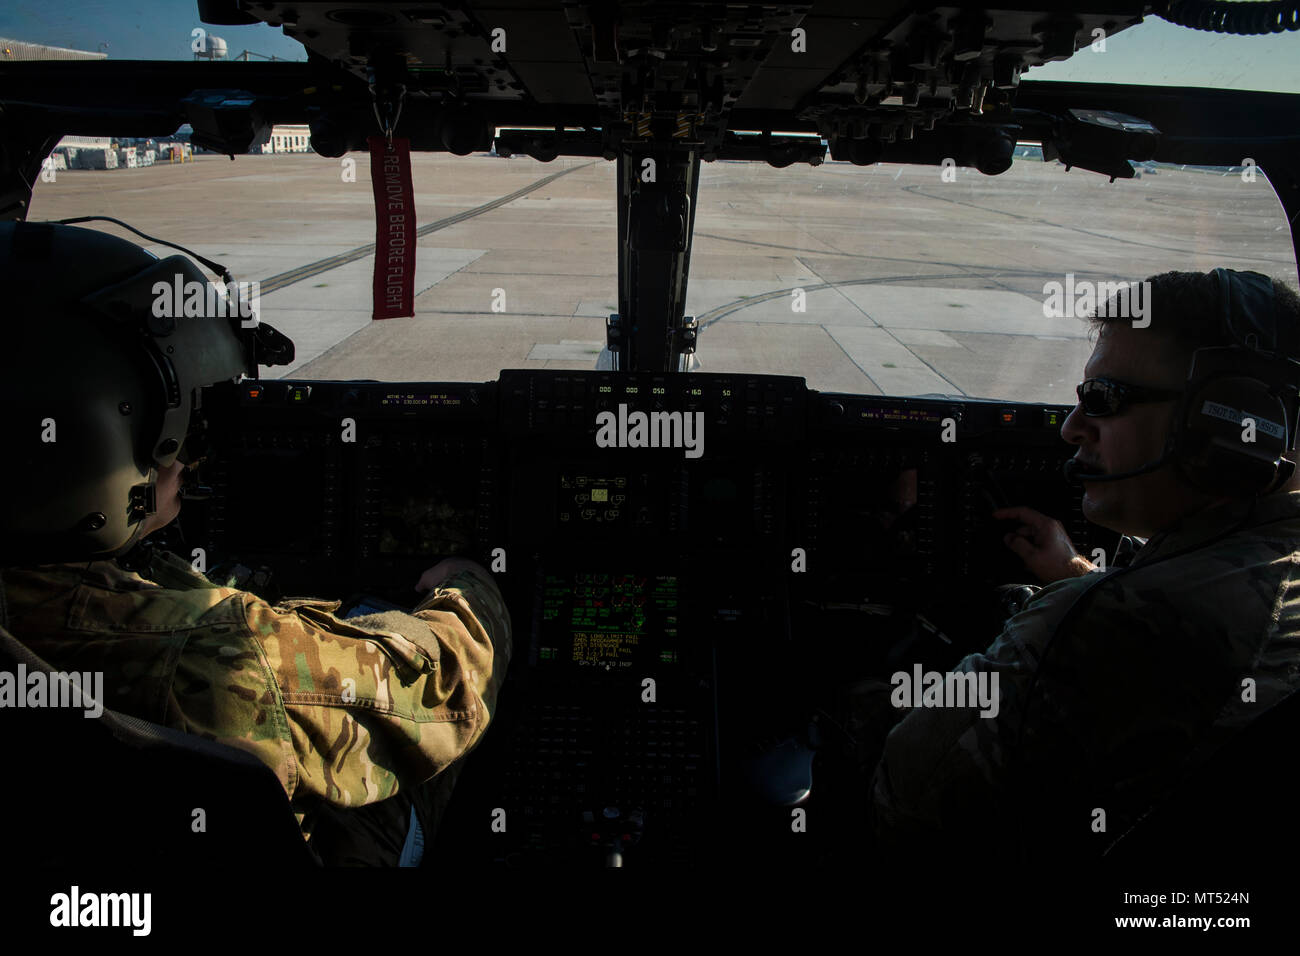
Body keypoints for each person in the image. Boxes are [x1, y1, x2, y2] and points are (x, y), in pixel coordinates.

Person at [0, 221, 511, 865]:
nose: (191, 458)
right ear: (106, 439)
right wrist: (473, 590)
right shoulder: (230, 651)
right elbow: (442, 691)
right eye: (179, 438)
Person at [866, 268, 1300, 859]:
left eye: (1103, 400)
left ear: (1227, 420)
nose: (1072, 429)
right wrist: (1080, 578)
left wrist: (1056, 608)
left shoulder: (1097, 624)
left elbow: (902, 793)